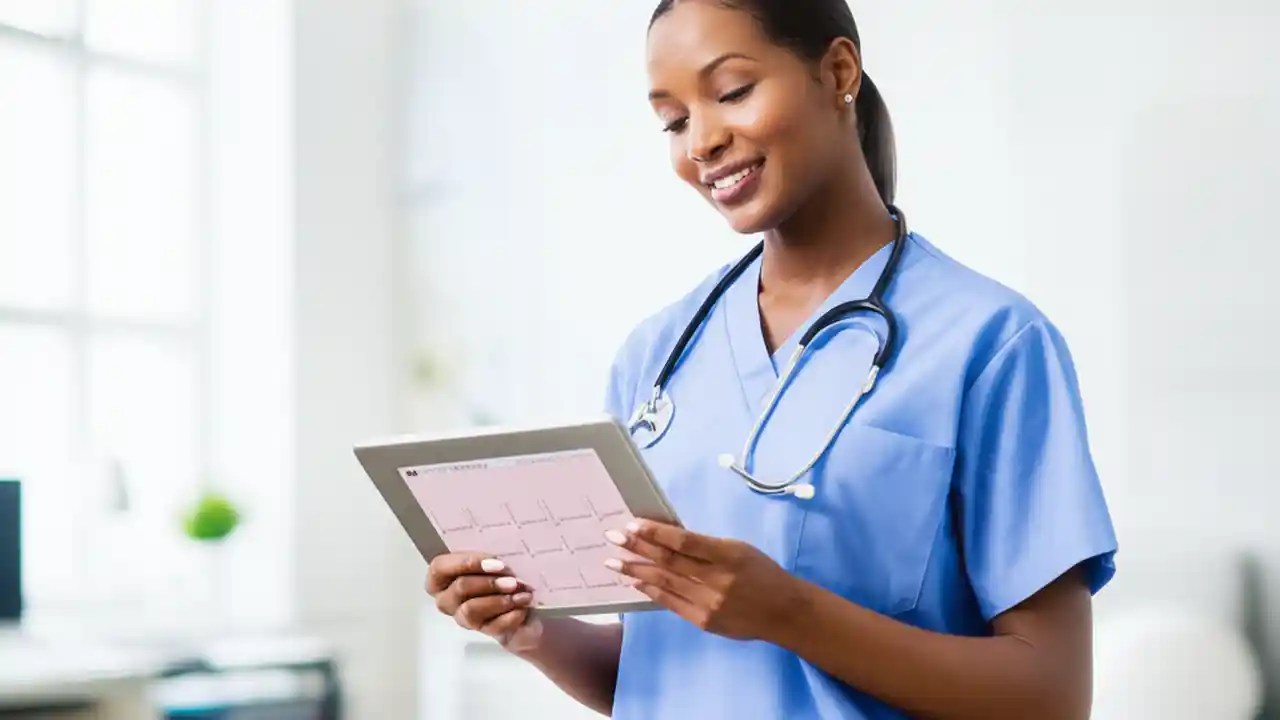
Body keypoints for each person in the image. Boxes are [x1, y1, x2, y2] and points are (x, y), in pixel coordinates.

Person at [424, 0, 1118, 717]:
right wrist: (531, 631)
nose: (702, 140)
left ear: (838, 71)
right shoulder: (656, 357)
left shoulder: (990, 343)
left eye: (731, 93)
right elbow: (657, 675)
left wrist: (789, 612)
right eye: (674, 120)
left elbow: (1050, 695)